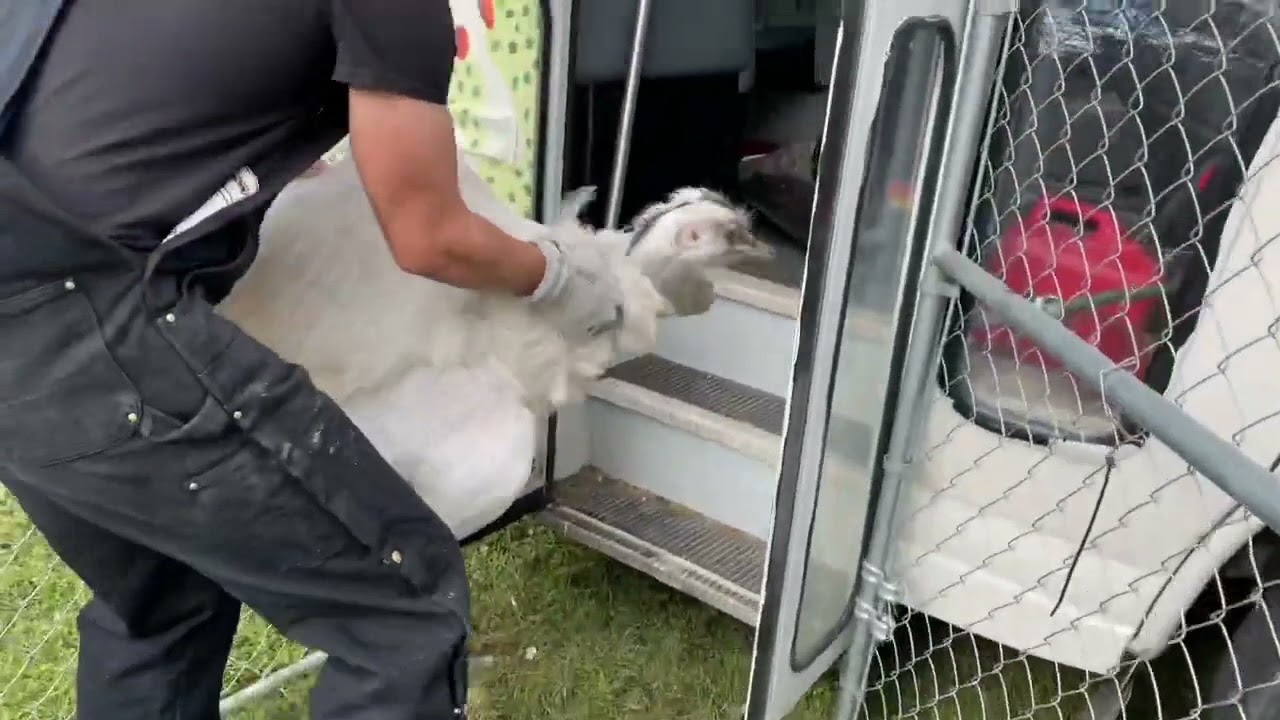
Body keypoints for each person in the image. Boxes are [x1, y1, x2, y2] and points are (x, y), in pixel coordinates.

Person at [0, 1, 627, 718]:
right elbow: (429, 236)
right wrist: (560, 281)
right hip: (95, 323)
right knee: (400, 615)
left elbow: (146, 116)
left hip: (21, 303)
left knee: (166, 602)